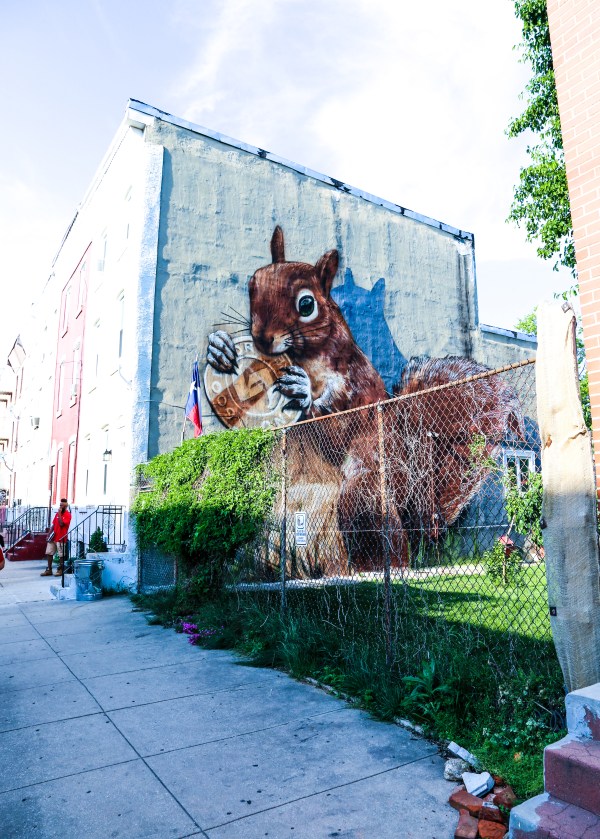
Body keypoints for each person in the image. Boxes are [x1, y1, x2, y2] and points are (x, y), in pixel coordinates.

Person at [41, 498, 72, 577]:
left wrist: (59, 513)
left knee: (61, 554)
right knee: (49, 552)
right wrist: (48, 534)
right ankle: (49, 570)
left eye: (62, 505)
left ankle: (60, 570)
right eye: (60, 505)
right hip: (53, 537)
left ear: (65, 506)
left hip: (61, 538)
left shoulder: (68, 515)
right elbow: (54, 524)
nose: (60, 507)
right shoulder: (57, 515)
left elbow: (61, 524)